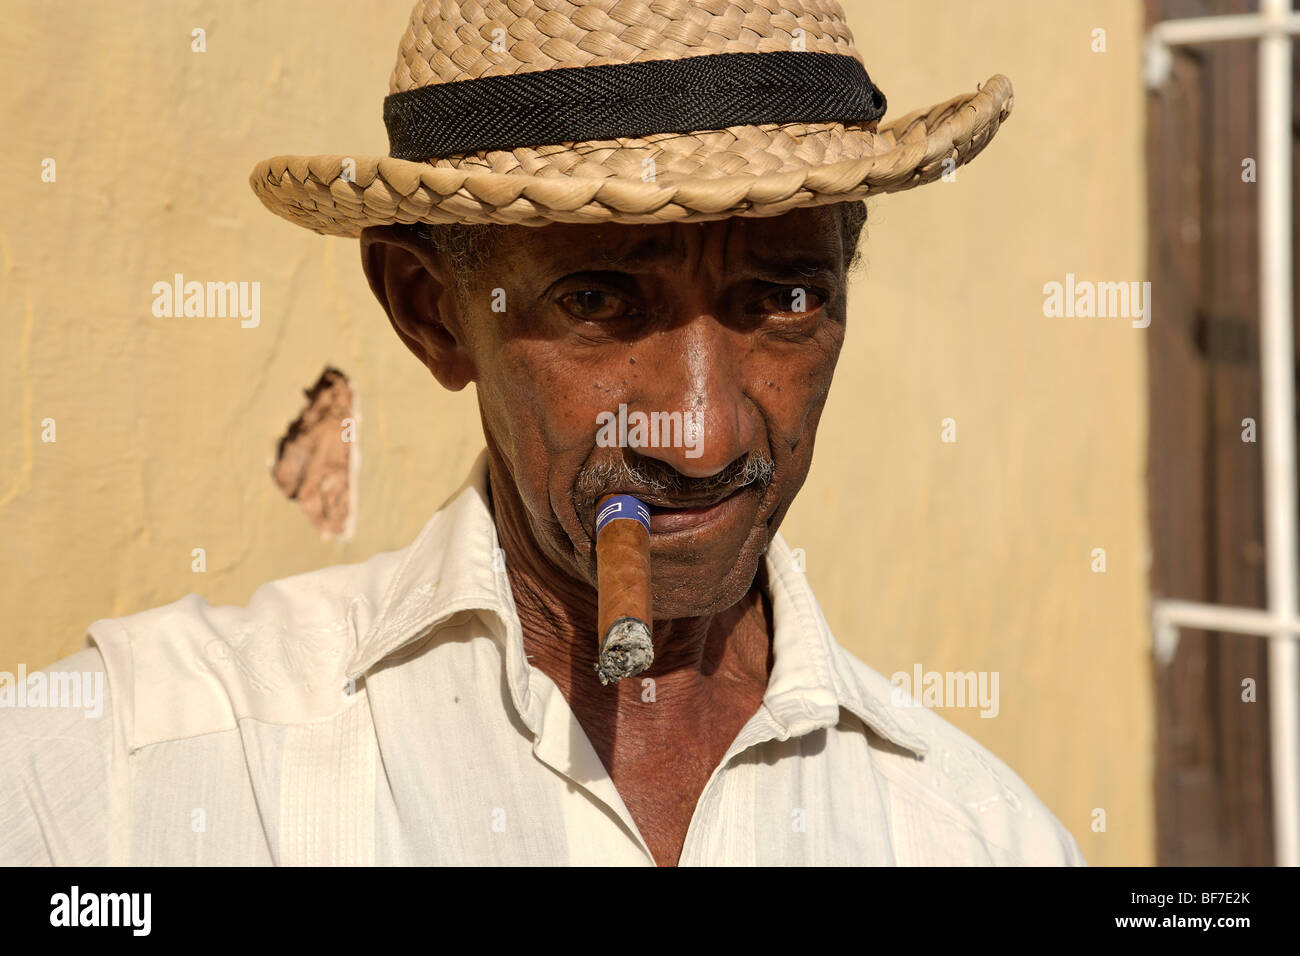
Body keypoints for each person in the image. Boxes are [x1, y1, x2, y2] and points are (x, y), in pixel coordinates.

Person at [0, 0, 1083, 866]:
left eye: (784, 297)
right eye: (600, 303)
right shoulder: (150, 759)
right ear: (431, 311)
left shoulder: (978, 833)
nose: (700, 438)